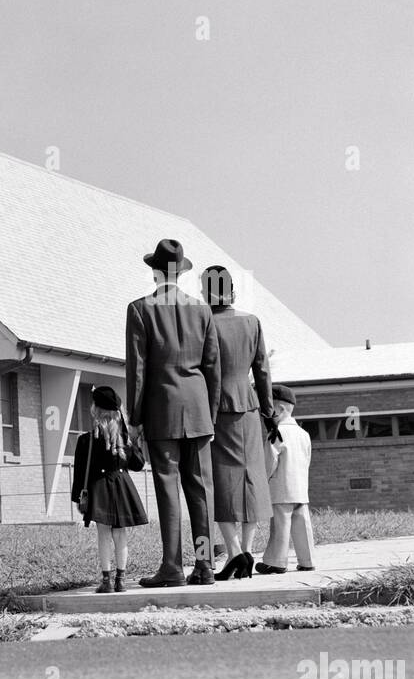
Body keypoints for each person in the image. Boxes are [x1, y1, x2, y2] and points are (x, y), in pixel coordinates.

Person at [126, 238, 221, 587]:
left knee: (168, 490)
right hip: (197, 411)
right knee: (199, 490)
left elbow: (137, 370)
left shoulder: (140, 309)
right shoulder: (202, 309)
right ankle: (204, 563)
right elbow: (213, 368)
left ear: (154, 273)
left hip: (161, 411)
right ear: (180, 273)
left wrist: (134, 420)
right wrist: (210, 416)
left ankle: (171, 566)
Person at [201, 265, 277, 580]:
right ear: (232, 291)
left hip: (217, 411)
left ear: (206, 292)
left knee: (222, 483)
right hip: (250, 408)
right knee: (252, 482)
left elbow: (204, 371)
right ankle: (247, 551)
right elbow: (262, 371)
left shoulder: (204, 325)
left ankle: (235, 553)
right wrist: (269, 412)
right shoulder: (252, 322)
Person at [71, 385, 149, 592]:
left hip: (98, 490)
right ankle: (121, 580)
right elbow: (138, 465)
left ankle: (106, 581)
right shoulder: (125, 439)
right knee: (120, 534)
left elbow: (80, 473)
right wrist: (134, 440)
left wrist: (78, 499)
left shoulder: (86, 440)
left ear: (95, 410)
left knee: (103, 534)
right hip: (122, 487)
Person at [256, 384, 316, 574]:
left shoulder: (276, 433)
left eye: (268, 409)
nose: (265, 414)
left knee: (280, 526)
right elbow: (307, 459)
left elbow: (269, 462)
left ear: (279, 409)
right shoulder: (304, 434)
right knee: (302, 525)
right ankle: (307, 560)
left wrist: (262, 481)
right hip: (300, 487)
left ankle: (276, 562)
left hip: (281, 487)